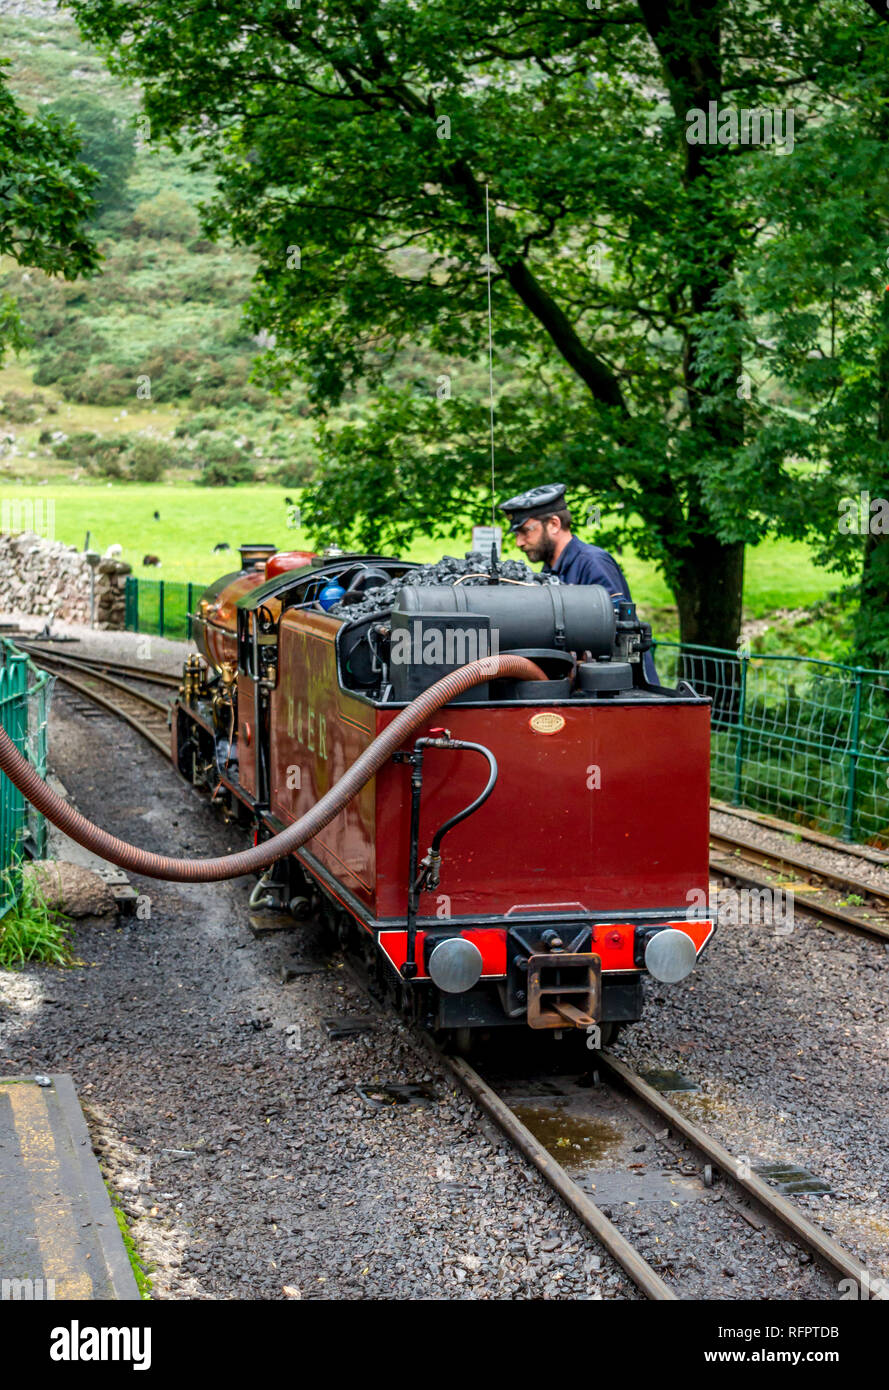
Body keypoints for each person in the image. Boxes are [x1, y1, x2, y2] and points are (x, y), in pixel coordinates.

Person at [498, 483, 658, 684]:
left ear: (554, 524)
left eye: (525, 531)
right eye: (516, 535)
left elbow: (618, 630)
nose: (519, 542)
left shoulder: (593, 563)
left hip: (616, 689)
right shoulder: (547, 571)